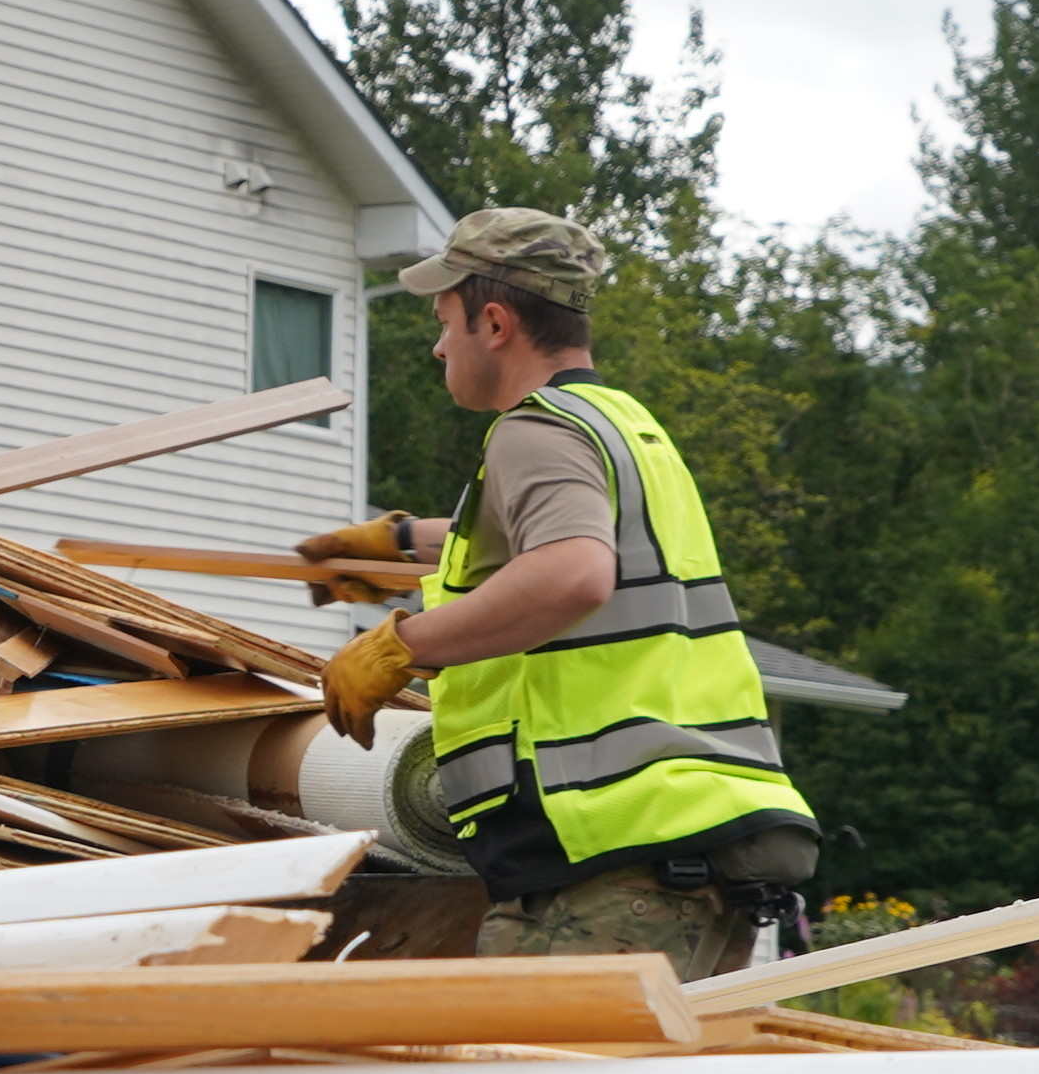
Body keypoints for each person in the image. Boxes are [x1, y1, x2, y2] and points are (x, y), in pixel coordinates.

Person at [307, 205, 819, 980]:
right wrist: (403, 541)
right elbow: (559, 541)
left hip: (608, 866)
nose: (438, 344)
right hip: (706, 847)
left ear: (496, 322)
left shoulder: (531, 430)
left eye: (445, 321)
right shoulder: (625, 426)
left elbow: (573, 571)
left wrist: (398, 647)